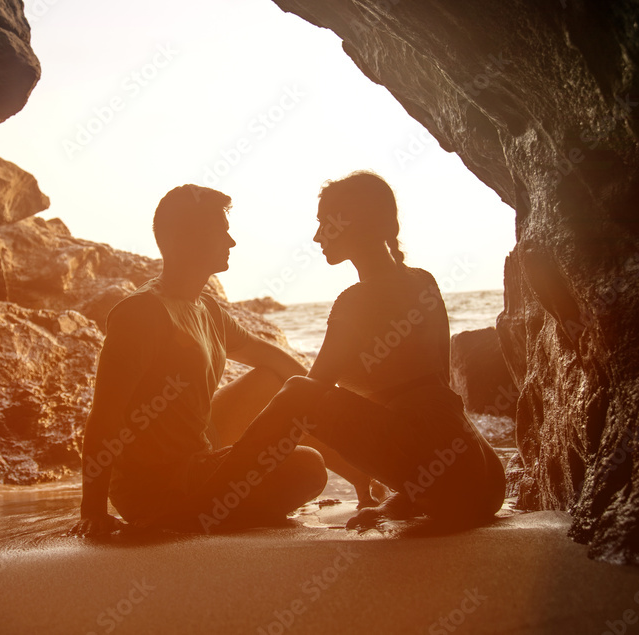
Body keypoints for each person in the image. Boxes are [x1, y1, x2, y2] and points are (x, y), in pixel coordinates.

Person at [215, 171, 507, 530]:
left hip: (440, 474)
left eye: (325, 223)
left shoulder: (354, 302)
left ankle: (212, 489)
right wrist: (396, 505)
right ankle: (411, 498)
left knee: (298, 392)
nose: (317, 235)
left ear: (353, 224)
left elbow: (305, 398)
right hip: (484, 479)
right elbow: (438, 398)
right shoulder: (423, 280)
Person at [71, 184, 333, 537]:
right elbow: (104, 415)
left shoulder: (205, 306)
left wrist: (339, 424)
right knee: (308, 468)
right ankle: (183, 518)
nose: (232, 242)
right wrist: (93, 511)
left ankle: (359, 478)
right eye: (221, 231)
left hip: (197, 454)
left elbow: (275, 360)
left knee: (273, 380)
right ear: (186, 239)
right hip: (155, 486)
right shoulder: (142, 312)